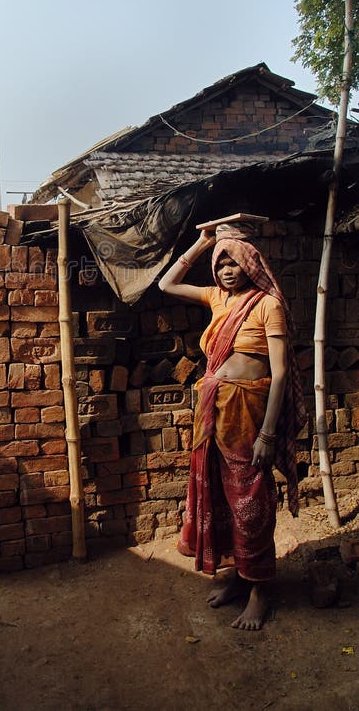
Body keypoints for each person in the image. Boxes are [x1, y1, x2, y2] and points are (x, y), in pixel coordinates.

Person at [158, 220, 306, 631]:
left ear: (251, 264)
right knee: (220, 498)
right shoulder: (217, 299)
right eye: (219, 263)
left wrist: (268, 433)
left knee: (250, 500)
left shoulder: (266, 305)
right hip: (213, 410)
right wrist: (202, 243)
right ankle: (239, 580)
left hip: (249, 413)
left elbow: (278, 374)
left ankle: (261, 589)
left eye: (232, 262)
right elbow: (166, 285)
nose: (224, 270)